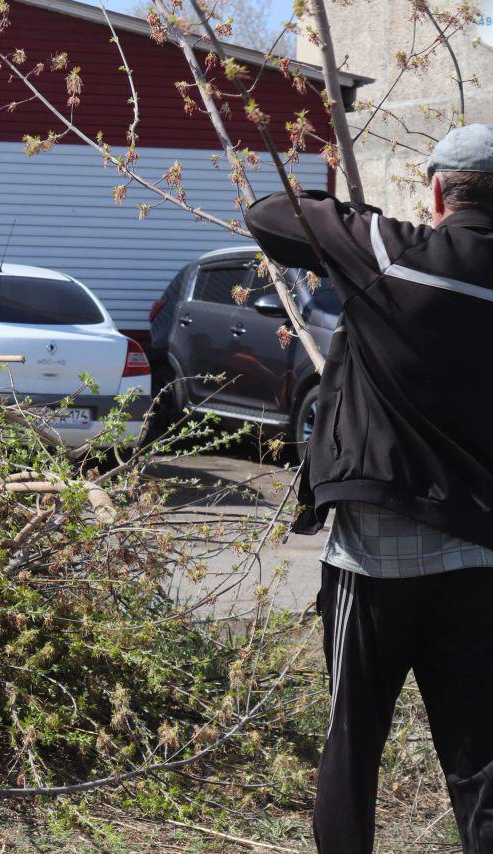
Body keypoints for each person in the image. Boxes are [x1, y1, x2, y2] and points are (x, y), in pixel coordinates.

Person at [245, 124, 493, 853]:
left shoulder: (397, 253)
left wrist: (362, 220)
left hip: (375, 558)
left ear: (439, 190)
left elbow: (269, 213)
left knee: (352, 750)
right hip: (482, 562)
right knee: (481, 762)